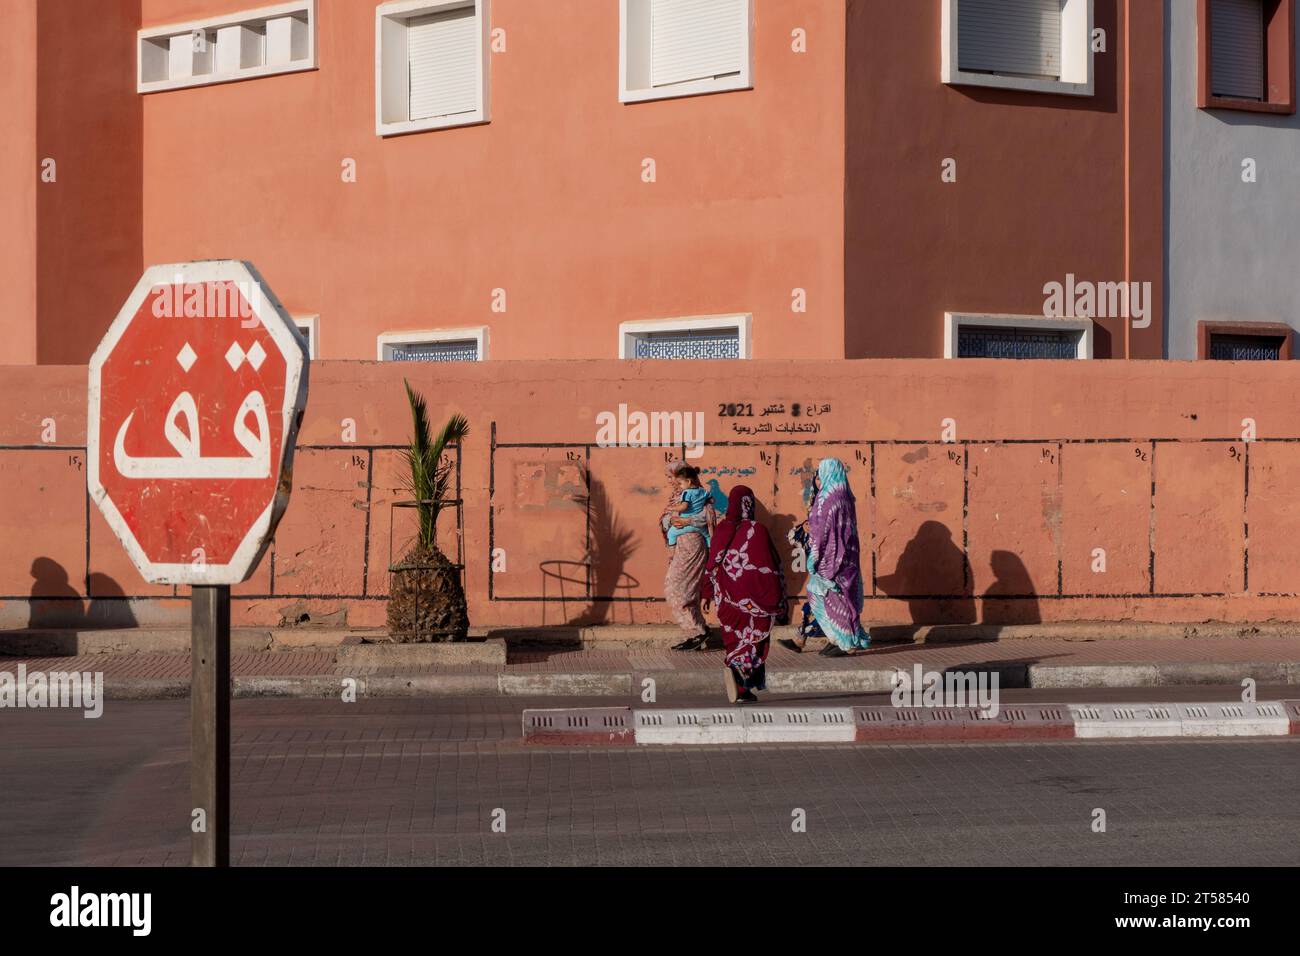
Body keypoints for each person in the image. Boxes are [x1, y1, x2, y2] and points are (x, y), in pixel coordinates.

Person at [700, 486, 787, 704]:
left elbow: (712, 564)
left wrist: (706, 593)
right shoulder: (759, 530)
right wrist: (779, 601)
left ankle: (737, 675)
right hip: (757, 603)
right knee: (752, 641)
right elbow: (773, 567)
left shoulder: (722, 529)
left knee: (734, 640)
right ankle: (744, 687)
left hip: (728, 599)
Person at [780, 457, 871, 657]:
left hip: (829, 558)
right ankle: (837, 639)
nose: (819, 476)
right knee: (837, 597)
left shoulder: (827, 499)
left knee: (832, 598)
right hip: (847, 558)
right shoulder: (846, 496)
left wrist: (814, 555)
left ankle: (846, 643)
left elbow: (821, 532)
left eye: (821, 471)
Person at [661, 461, 716, 651]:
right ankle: (696, 632)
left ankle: (697, 631)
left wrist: (686, 520)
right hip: (680, 546)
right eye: (669, 478)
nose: (671, 481)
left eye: (672, 477)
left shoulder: (700, 495)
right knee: (686, 590)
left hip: (693, 544)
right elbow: (666, 520)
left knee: (676, 588)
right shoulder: (678, 495)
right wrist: (671, 520)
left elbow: (708, 517)